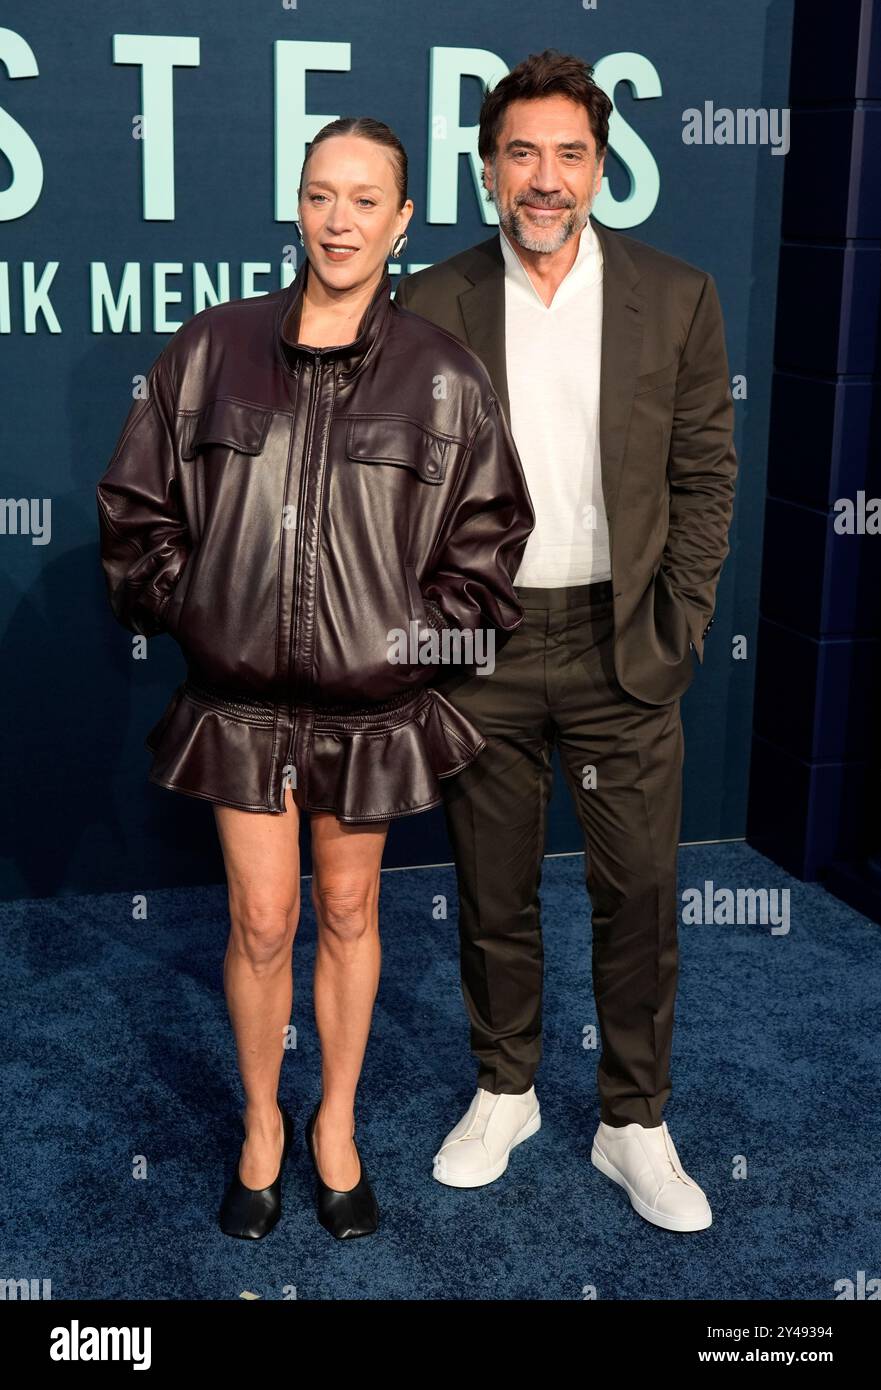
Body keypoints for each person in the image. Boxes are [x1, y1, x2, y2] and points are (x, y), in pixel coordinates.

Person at [96, 116, 535, 1241]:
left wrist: (400, 644)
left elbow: (488, 546)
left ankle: (334, 1122)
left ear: (402, 221)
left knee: (346, 908)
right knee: (259, 918)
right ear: (299, 208)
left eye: (363, 200)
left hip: (371, 709)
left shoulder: (444, 373)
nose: (339, 221)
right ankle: (259, 1124)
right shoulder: (210, 349)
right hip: (238, 703)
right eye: (319, 195)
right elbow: (136, 510)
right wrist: (198, 608)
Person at [394, 50, 738, 1232]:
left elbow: (704, 474)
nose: (545, 179)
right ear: (489, 168)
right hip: (483, 643)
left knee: (637, 887)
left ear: (601, 166)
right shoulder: (430, 302)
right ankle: (506, 1088)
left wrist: (679, 615)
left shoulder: (676, 294)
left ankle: (632, 1119)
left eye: (569, 155)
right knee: (492, 885)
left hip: (621, 638)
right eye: (522, 154)